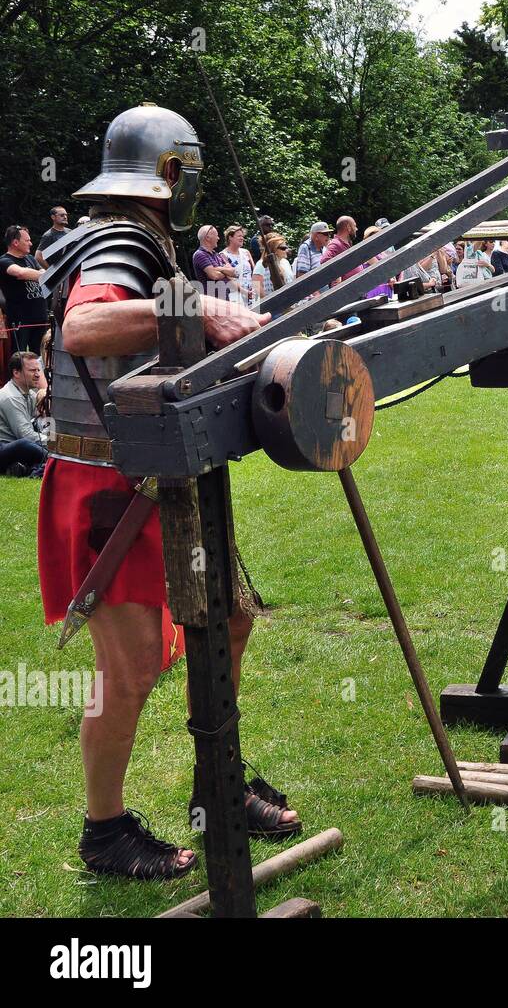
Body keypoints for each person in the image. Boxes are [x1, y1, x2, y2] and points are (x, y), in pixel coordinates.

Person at [38, 103, 297, 882]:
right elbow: (85, 330)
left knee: (232, 618)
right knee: (133, 663)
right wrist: (202, 304)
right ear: (170, 175)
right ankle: (105, 830)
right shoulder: (117, 239)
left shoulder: (143, 239)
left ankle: (216, 787)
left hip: (151, 472)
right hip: (107, 481)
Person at [0, 350, 48, 476]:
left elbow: (43, 423)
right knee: (25, 444)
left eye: (38, 370)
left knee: (34, 444)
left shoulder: (31, 394)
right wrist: (54, 443)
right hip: (4, 447)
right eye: (32, 371)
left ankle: (26, 468)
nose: (37, 374)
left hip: (15, 449)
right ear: (16, 373)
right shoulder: (10, 397)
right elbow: (26, 435)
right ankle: (52, 461)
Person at [2, 226, 49, 354]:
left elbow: (42, 272)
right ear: (15, 243)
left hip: (40, 316)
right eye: (27, 240)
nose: (31, 243)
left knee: (41, 355)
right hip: (21, 320)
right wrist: (48, 275)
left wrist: (42, 274)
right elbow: (20, 273)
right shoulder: (4, 261)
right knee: (20, 356)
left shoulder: (30, 258)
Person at [192, 224, 237, 298]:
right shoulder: (200, 255)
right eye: (216, 235)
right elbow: (214, 275)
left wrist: (218, 269)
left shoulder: (216, 254)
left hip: (224, 298)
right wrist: (225, 271)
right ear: (208, 238)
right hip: (214, 301)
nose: (218, 238)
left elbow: (233, 272)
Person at [252, 232, 295, 302]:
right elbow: (257, 286)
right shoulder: (261, 264)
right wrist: (268, 302)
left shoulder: (285, 262)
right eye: (283, 248)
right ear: (274, 249)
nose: (286, 250)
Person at [221, 225, 255, 306]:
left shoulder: (246, 252)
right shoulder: (223, 255)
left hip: (251, 293)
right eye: (239, 236)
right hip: (235, 295)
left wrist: (254, 289)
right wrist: (245, 292)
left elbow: (254, 272)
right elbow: (228, 279)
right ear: (230, 237)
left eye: (242, 236)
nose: (242, 238)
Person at [322, 215, 358, 284]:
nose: (356, 229)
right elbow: (325, 260)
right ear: (348, 227)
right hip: (346, 291)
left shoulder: (346, 243)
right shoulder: (336, 243)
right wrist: (337, 276)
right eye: (354, 226)